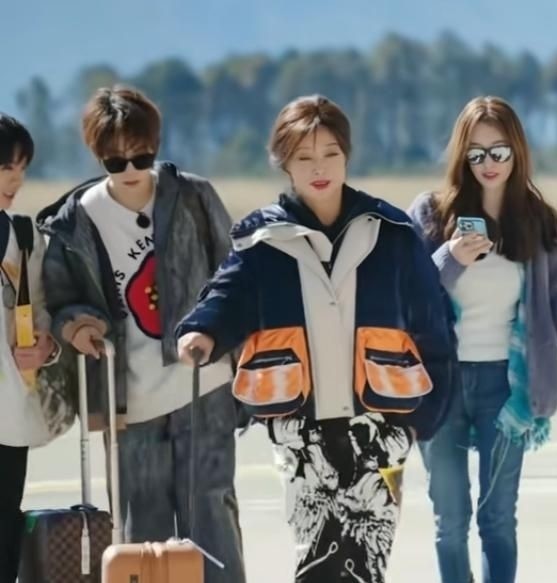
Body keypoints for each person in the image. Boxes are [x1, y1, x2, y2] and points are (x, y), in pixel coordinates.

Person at [175, 94, 457, 583]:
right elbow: (227, 296)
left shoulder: (392, 233)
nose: (319, 167)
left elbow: (435, 329)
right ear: (284, 162)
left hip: (381, 427)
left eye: (330, 153)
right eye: (303, 157)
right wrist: (201, 331)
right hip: (298, 431)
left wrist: (416, 425)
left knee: (368, 564)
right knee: (315, 562)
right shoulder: (261, 239)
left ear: (346, 155)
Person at [37, 86, 245, 583]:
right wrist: (79, 326)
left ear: (156, 145)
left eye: (142, 155)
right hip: (128, 401)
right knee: (140, 532)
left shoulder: (194, 196)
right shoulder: (75, 221)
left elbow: (235, 273)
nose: (130, 169)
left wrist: (222, 337)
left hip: (204, 385)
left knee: (211, 519)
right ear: (97, 156)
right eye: (115, 160)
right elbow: (63, 299)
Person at [406, 95, 557, 583]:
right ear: (462, 156)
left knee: (497, 519)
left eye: (499, 151)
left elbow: (556, 311)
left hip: (508, 383)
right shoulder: (431, 214)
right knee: (450, 520)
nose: (489, 163)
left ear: (517, 151)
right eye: (476, 153)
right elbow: (407, 299)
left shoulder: (541, 223)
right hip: (441, 383)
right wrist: (450, 258)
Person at [0, 114, 64, 583]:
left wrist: (46, 347)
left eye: (22, 168)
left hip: (10, 408)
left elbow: (41, 306)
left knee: (6, 523)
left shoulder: (25, 236)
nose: (16, 180)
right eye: (7, 167)